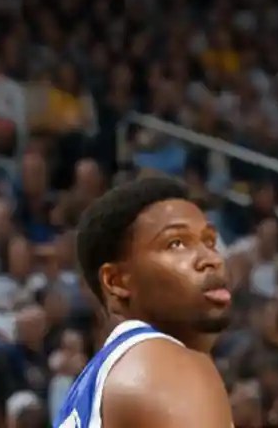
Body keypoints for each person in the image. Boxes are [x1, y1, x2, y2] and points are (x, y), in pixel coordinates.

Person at [53, 176, 233, 428]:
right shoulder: (163, 365)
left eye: (209, 241)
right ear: (116, 281)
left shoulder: (93, 388)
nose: (212, 259)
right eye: (176, 244)